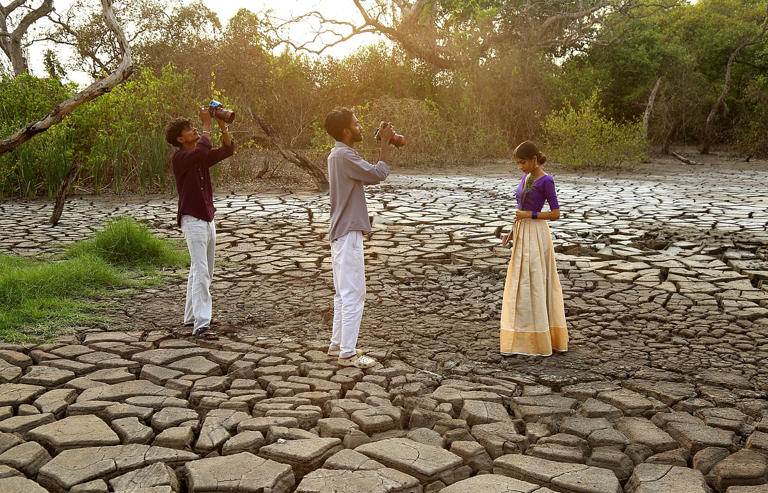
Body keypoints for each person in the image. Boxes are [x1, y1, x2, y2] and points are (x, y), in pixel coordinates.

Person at [324, 107, 394, 368]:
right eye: (356, 123)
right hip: (349, 232)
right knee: (354, 293)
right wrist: (385, 144)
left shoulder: (337, 154)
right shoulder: (344, 156)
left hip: (339, 232)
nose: (360, 126)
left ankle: (337, 344)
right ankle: (348, 353)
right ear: (346, 130)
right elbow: (378, 174)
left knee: (343, 294)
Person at [165, 107, 234, 340]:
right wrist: (207, 124)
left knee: (201, 271)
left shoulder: (199, 155)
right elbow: (203, 148)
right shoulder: (180, 158)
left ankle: (191, 316)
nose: (194, 130)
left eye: (195, 127)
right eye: (189, 129)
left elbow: (227, 149)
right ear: (179, 139)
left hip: (207, 217)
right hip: (192, 219)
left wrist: (222, 124)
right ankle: (201, 325)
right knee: (202, 272)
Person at [500, 141, 568, 356]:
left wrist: (532, 215)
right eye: (518, 163)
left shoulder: (546, 180)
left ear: (534, 159)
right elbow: (520, 210)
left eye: (523, 162)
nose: (520, 167)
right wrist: (511, 233)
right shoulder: (526, 177)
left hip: (537, 235)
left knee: (536, 282)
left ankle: (542, 336)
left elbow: (556, 213)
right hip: (522, 233)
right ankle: (523, 334)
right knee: (521, 284)